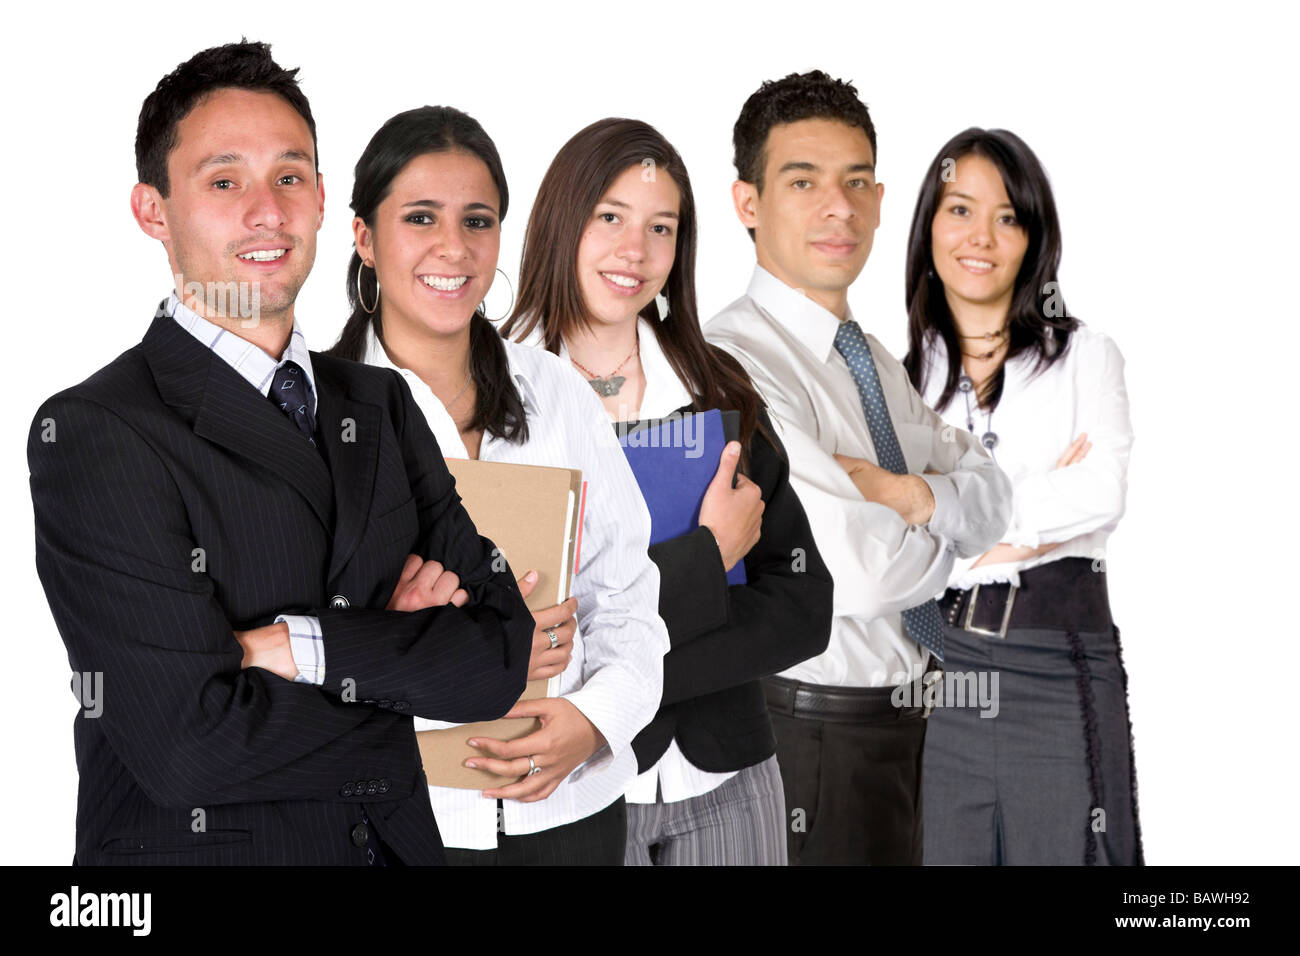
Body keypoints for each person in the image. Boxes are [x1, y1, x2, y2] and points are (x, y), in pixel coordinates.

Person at [26, 42, 534, 866]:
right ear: (153, 210)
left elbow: (495, 663)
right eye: (224, 181)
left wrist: (294, 649)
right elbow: (186, 746)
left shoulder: (379, 403)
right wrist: (397, 675)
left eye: (290, 177)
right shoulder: (99, 429)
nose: (267, 211)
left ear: (325, 198)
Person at [329, 106, 669, 865]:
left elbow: (629, 599)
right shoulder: (314, 415)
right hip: (401, 821)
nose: (454, 247)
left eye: (477, 221)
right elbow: (289, 646)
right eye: (420, 217)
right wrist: (423, 641)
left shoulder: (559, 390)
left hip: (569, 813)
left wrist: (593, 720)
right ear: (363, 237)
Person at [501, 117, 834, 865]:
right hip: (580, 785)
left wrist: (620, 674)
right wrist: (708, 559)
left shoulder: (718, 392)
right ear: (561, 222)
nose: (635, 251)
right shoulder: (496, 398)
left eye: (662, 228)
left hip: (731, 782)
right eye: (610, 217)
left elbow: (803, 608)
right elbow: (516, 631)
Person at [704, 70, 1012, 865]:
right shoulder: (737, 363)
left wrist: (904, 494)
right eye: (802, 181)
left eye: (856, 182)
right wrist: (944, 527)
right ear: (747, 203)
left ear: (879, 200)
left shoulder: (869, 359)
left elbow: (994, 496)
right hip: (810, 739)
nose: (838, 206)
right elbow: (859, 576)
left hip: (904, 729)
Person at [901, 128, 1142, 865]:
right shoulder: (895, 379)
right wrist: (1033, 516)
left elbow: (1100, 492)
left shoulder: (1085, 357)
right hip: (935, 671)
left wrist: (950, 512)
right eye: (960, 210)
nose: (982, 236)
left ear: (1034, 236)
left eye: (1008, 217)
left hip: (1058, 664)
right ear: (929, 229)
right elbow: (888, 542)